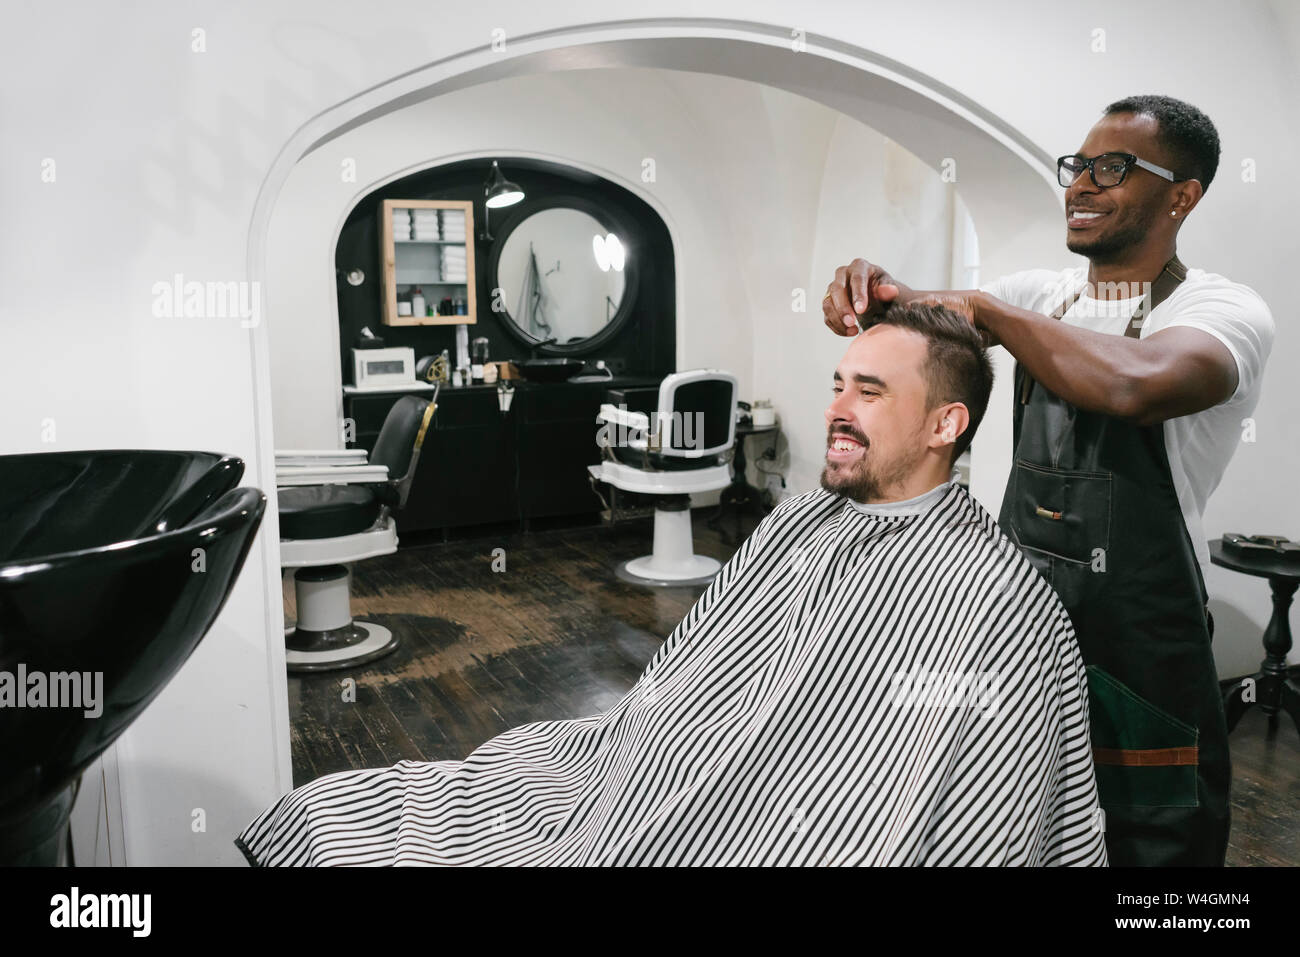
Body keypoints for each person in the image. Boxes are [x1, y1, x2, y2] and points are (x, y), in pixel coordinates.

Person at [237, 303, 1106, 867]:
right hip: (645, 774)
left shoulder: (992, 600)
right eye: (837, 384)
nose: (838, 407)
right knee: (339, 812)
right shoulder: (805, 518)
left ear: (946, 423)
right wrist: (676, 748)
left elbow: (946, 798)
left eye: (870, 392)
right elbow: (695, 676)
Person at [823, 95, 1274, 866]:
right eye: (1077, 167)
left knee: (1154, 829)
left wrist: (988, 310)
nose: (1081, 186)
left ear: (1182, 195)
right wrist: (875, 287)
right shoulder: (1047, 296)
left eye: (1112, 168)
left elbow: (1134, 384)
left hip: (1142, 642)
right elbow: (923, 311)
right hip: (1023, 620)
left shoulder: (1223, 310)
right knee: (1024, 811)